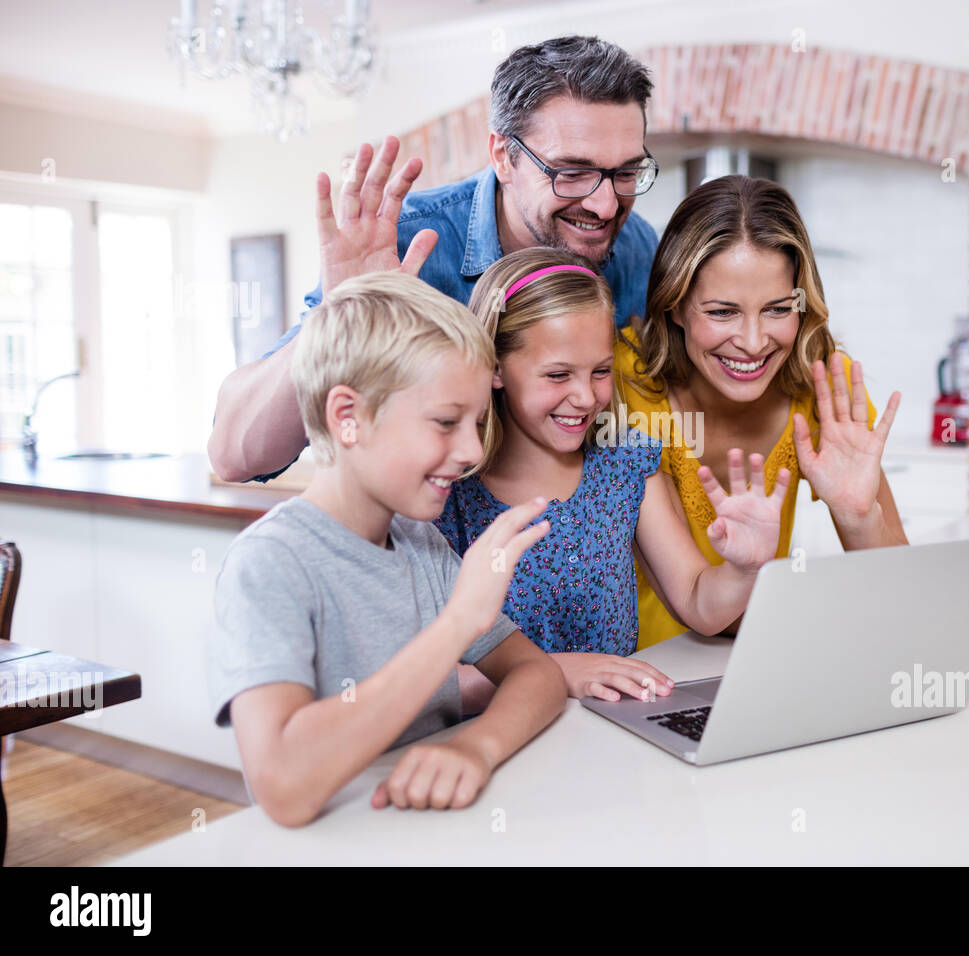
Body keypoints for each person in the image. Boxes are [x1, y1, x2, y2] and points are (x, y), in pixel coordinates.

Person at [209, 35, 660, 484]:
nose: (605, 206)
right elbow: (236, 457)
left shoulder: (636, 246)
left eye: (625, 173)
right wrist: (341, 311)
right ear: (504, 157)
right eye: (571, 174)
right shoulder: (405, 242)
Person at [208, 271, 566, 827]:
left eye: (476, 422)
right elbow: (283, 785)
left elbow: (537, 675)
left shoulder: (420, 544)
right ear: (347, 417)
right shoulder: (270, 565)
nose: (472, 450)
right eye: (446, 422)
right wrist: (457, 624)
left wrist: (478, 748)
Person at [436, 247, 789, 706]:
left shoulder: (624, 466)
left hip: (610, 738)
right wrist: (552, 673)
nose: (585, 397)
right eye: (558, 375)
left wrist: (744, 569)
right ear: (495, 368)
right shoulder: (448, 490)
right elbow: (420, 682)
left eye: (601, 371)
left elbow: (699, 604)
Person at [614, 175, 908, 649]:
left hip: (754, 666)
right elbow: (702, 609)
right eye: (722, 312)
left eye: (776, 309)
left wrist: (858, 515)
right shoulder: (624, 385)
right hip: (642, 677)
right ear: (674, 305)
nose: (753, 343)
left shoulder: (826, 390)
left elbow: (902, 593)